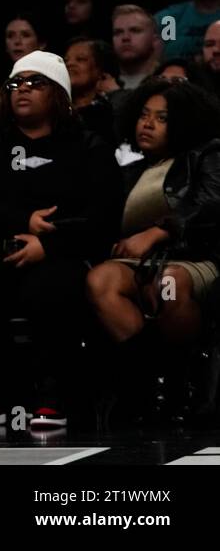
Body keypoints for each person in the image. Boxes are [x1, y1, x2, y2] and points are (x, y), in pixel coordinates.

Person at [0, 50, 123, 430]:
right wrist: (22, 221)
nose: (23, 89)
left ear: (59, 94)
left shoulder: (88, 146)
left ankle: (50, 395)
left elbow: (104, 215)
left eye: (36, 82)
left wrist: (48, 244)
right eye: (16, 83)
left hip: (61, 252)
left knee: (51, 288)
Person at [85, 80, 220, 425]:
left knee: (166, 284)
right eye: (144, 115)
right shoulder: (132, 170)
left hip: (194, 257)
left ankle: (181, 380)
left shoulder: (207, 155)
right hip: (138, 263)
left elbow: (211, 205)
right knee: (100, 280)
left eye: (161, 118)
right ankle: (147, 379)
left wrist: (160, 231)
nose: (147, 123)